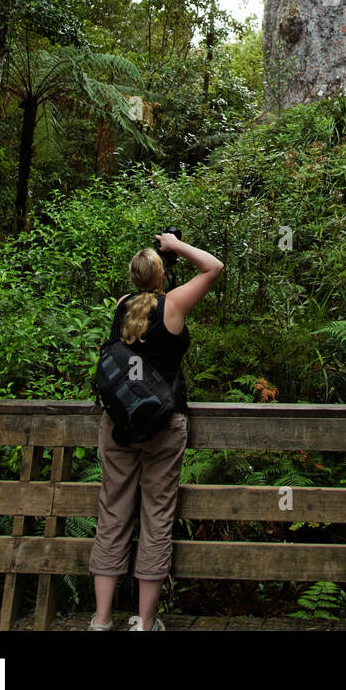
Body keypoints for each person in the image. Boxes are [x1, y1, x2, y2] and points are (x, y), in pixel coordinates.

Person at [88, 231, 224, 632]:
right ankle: (144, 624)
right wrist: (176, 245)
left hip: (120, 426)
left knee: (113, 514)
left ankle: (100, 620)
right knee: (156, 518)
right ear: (163, 276)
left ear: (133, 278)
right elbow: (214, 266)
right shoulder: (174, 305)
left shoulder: (120, 307)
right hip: (164, 425)